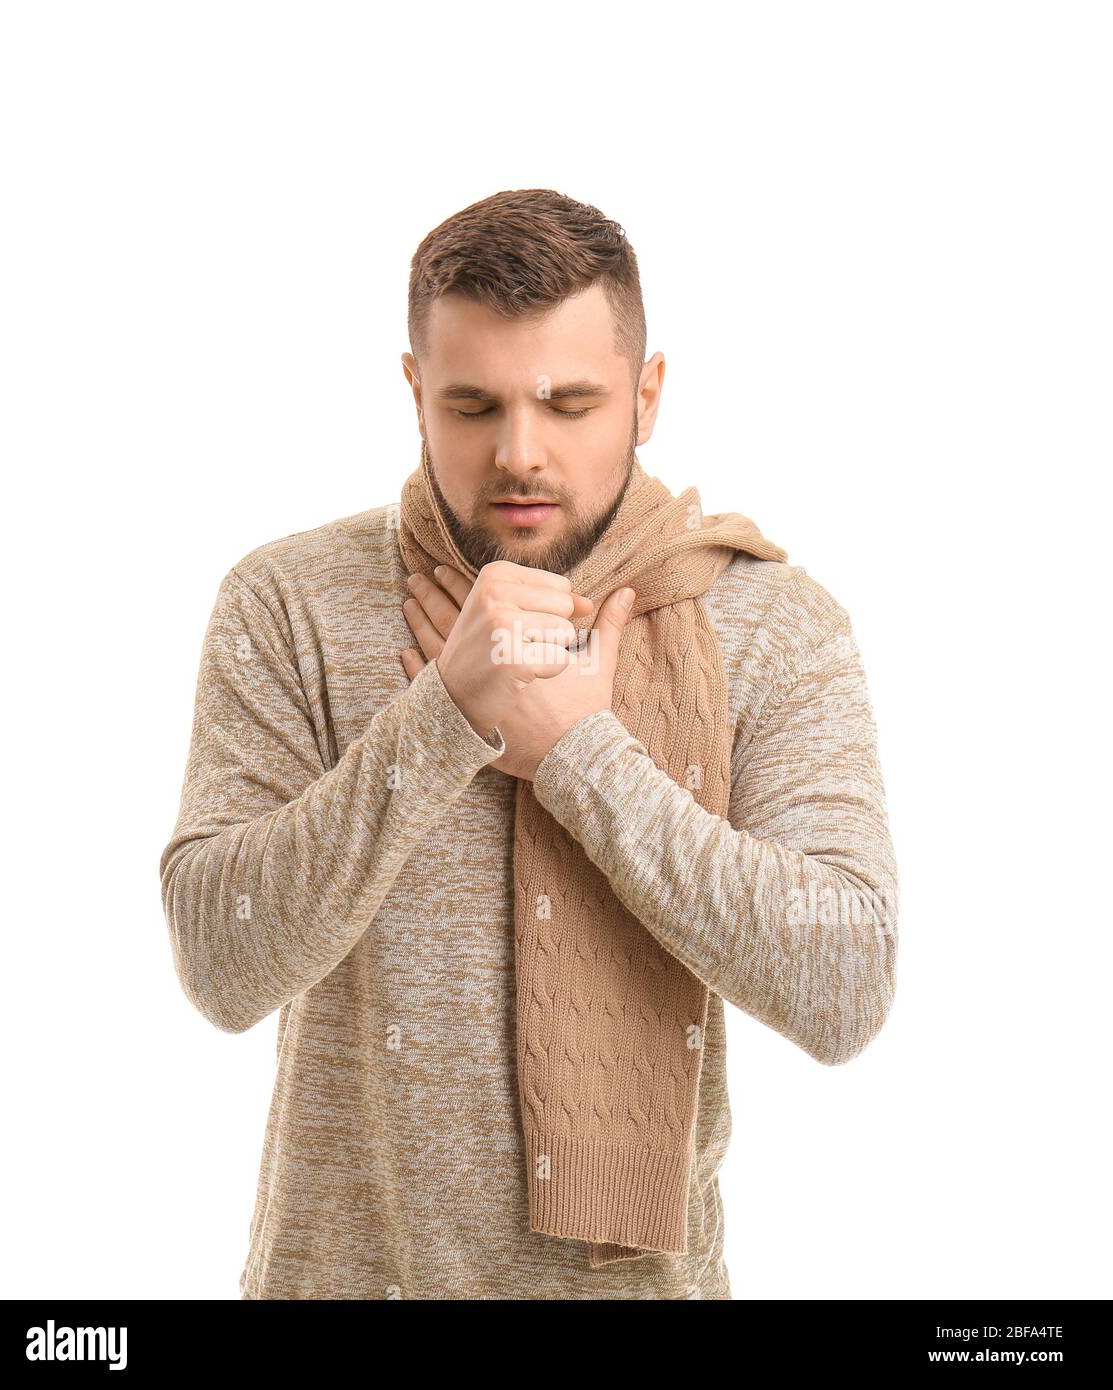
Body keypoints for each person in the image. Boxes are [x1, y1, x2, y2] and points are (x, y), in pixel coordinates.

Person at [159, 187, 899, 1300]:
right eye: (473, 405)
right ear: (415, 393)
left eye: (569, 403)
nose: (520, 452)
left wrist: (579, 756)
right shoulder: (290, 603)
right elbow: (220, 963)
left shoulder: (774, 627)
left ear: (647, 397)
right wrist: (440, 720)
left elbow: (846, 984)